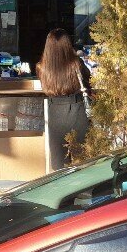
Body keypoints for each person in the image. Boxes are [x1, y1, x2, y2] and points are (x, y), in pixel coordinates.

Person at [36, 29, 92, 171]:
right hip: (77, 109)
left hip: (55, 111)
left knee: (60, 163)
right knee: (83, 161)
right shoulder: (76, 63)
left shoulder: (42, 67)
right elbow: (88, 80)